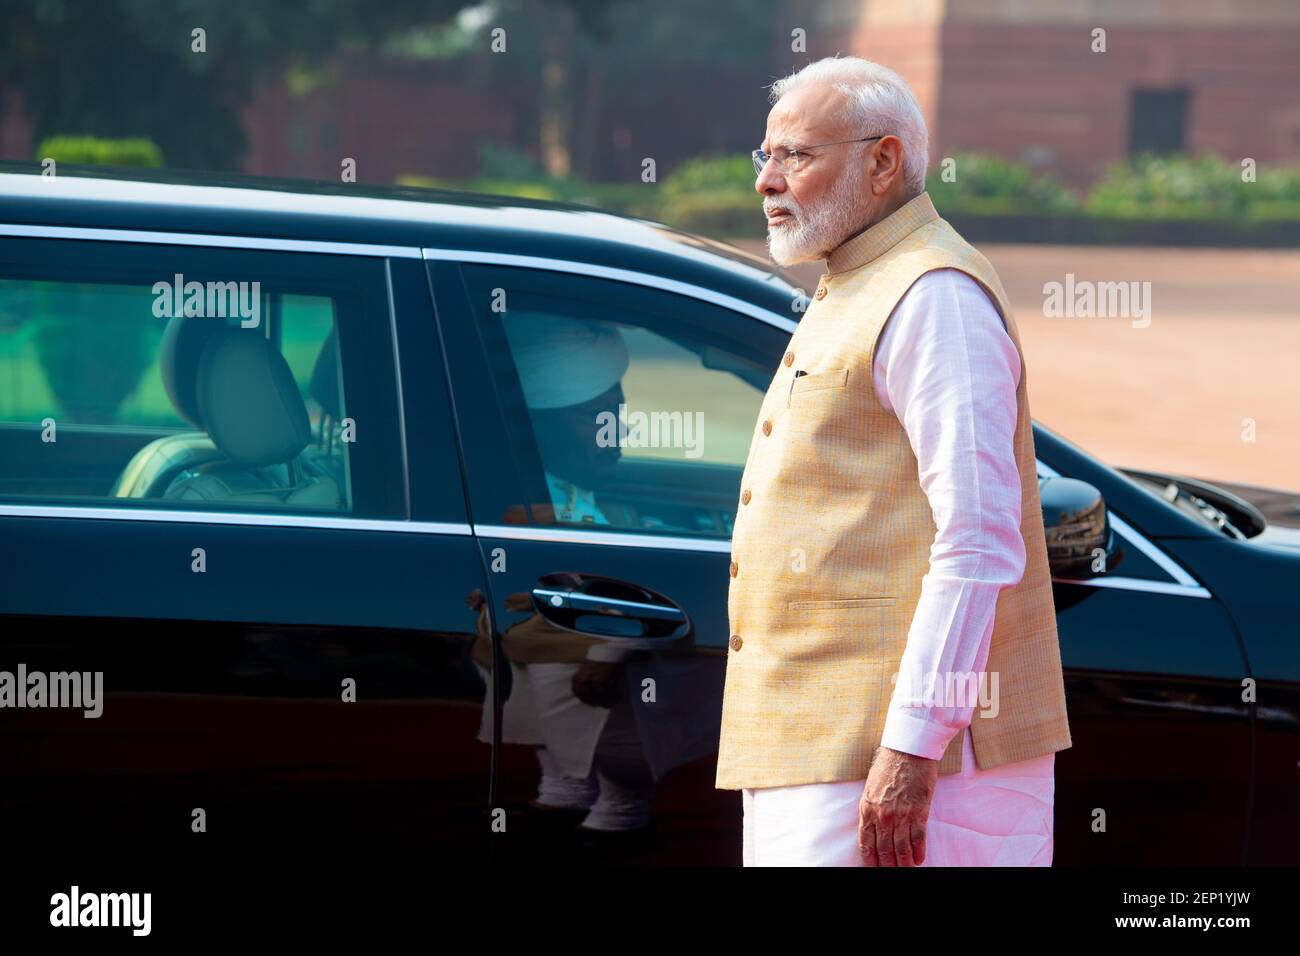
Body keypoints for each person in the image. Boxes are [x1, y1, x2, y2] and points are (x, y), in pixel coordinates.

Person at [716, 55, 1072, 866]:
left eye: (796, 155)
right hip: (832, 751)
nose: (768, 181)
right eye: (764, 156)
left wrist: (911, 750)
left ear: (883, 162)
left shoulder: (931, 295)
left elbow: (980, 539)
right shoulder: (866, 279)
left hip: (904, 764)